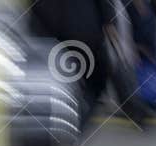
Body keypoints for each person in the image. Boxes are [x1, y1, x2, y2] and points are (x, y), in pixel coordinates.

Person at [30, 0, 116, 128]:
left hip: (55, 36)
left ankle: (70, 122)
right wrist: (110, 23)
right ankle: (77, 121)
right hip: (84, 33)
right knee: (90, 84)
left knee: (65, 85)